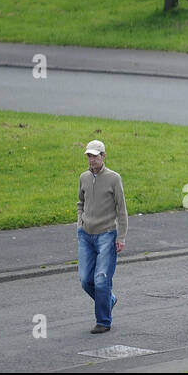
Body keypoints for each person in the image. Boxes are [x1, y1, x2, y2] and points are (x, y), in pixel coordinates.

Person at [76, 140, 128, 334]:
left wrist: (121, 236)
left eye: (95, 156)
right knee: (85, 280)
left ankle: (103, 321)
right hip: (86, 235)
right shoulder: (83, 178)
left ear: (103, 156)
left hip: (107, 234)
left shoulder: (114, 178)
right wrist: (79, 223)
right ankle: (109, 299)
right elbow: (80, 203)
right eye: (89, 156)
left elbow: (121, 209)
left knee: (101, 280)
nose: (91, 160)